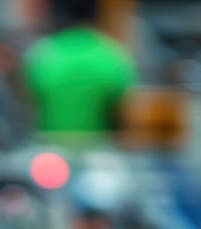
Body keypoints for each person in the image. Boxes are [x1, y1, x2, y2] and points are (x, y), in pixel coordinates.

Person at [21, 0, 137, 138]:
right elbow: (125, 110)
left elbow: (28, 104)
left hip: (49, 147)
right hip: (101, 148)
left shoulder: (41, 54)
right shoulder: (113, 55)